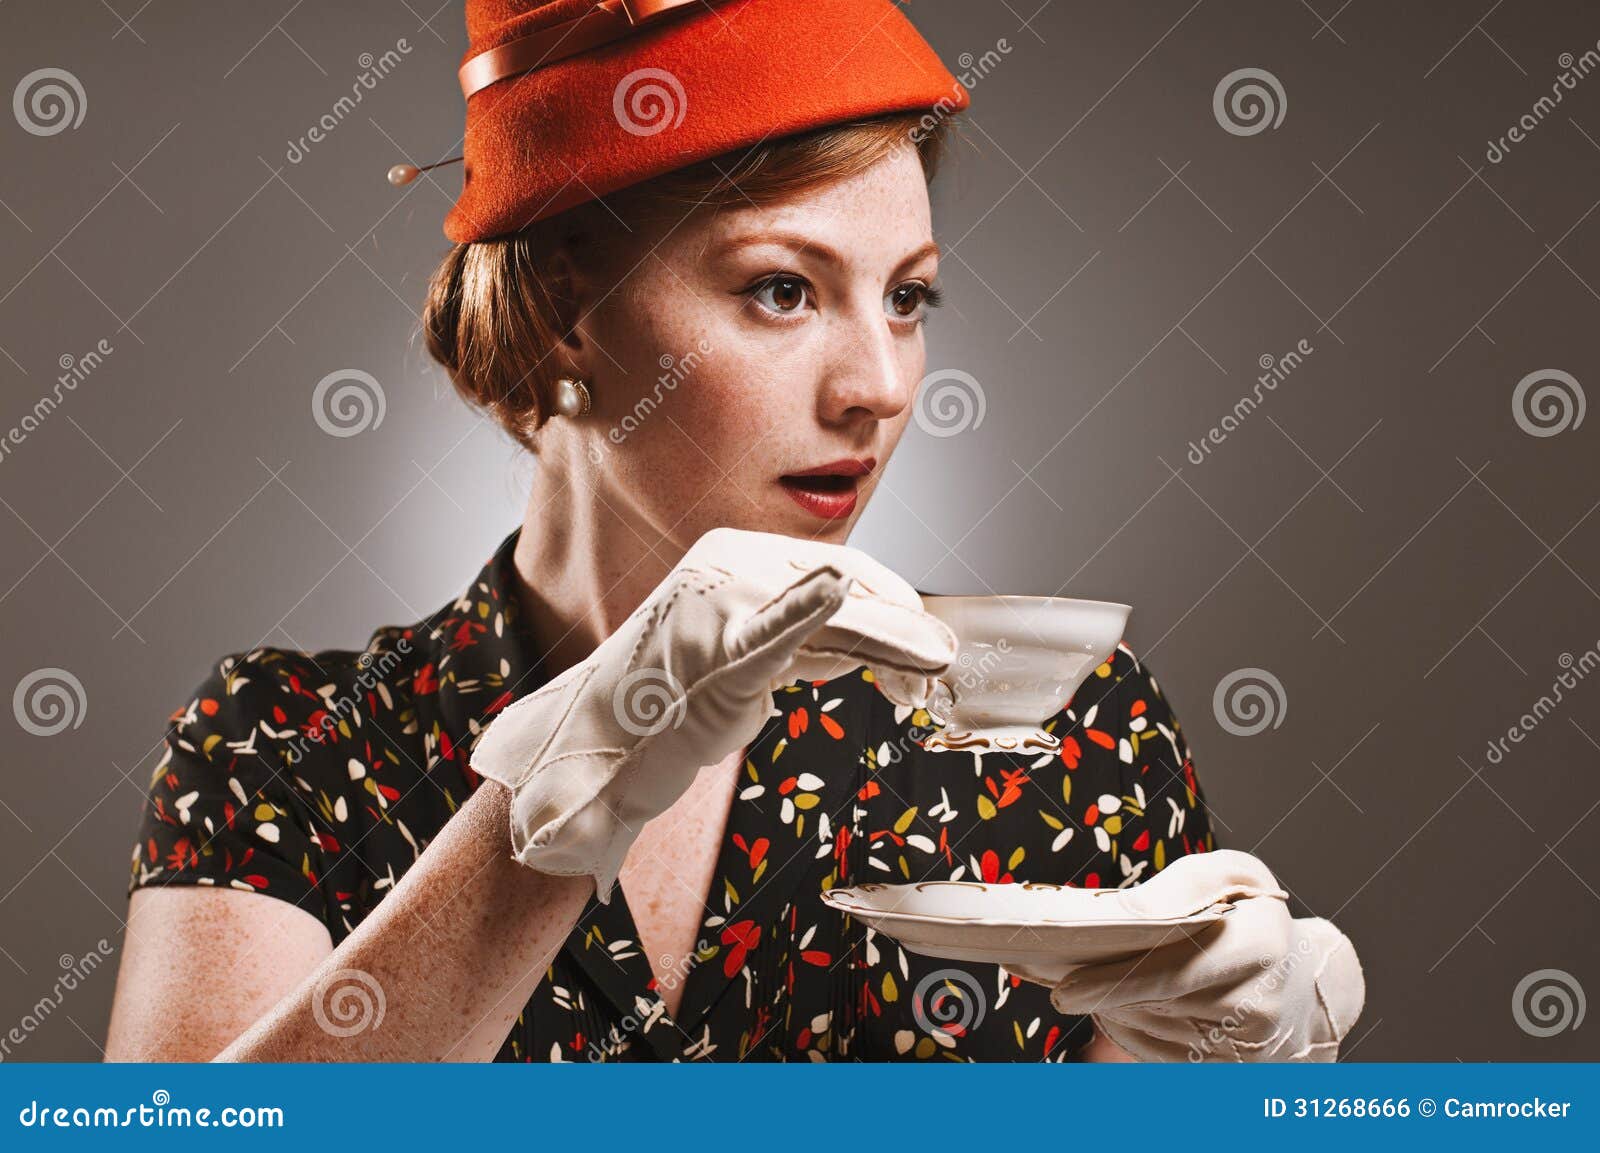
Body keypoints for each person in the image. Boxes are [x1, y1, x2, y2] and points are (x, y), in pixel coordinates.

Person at [105, 0, 1362, 1063]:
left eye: (909, 297)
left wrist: (1207, 1089)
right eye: (781, 288)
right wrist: (544, 818)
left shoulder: (1071, 735)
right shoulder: (291, 747)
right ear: (558, 312)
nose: (878, 380)